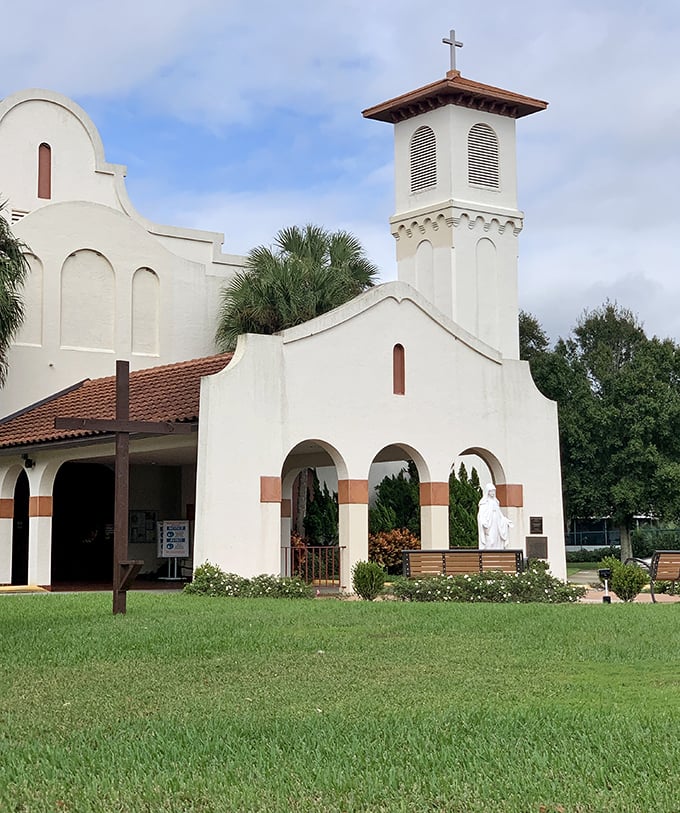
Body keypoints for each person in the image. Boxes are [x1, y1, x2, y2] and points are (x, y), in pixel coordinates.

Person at [477, 483, 513, 549]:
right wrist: (483, 521)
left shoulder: (496, 502)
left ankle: (496, 556)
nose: (493, 493)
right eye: (491, 491)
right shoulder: (484, 502)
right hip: (489, 524)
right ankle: (488, 557)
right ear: (488, 492)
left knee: (496, 540)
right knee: (491, 540)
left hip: (496, 523)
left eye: (494, 491)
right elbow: (481, 514)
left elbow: (500, 514)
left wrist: (505, 520)